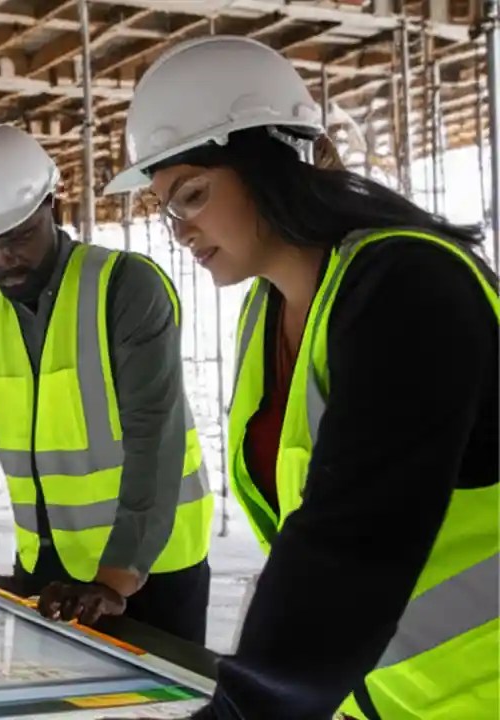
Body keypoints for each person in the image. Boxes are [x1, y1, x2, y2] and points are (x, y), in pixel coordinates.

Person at [102, 35, 498, 719]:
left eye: (192, 194)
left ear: (275, 162)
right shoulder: (265, 314)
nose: (180, 229)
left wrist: (245, 707)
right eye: (166, 208)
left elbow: (353, 537)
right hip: (371, 704)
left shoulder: (409, 284)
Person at [0, 124, 214, 644]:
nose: (2, 259)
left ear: (52, 208)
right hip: (48, 566)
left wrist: (118, 577)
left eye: (17, 237)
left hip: (151, 568)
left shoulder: (125, 288)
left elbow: (156, 433)